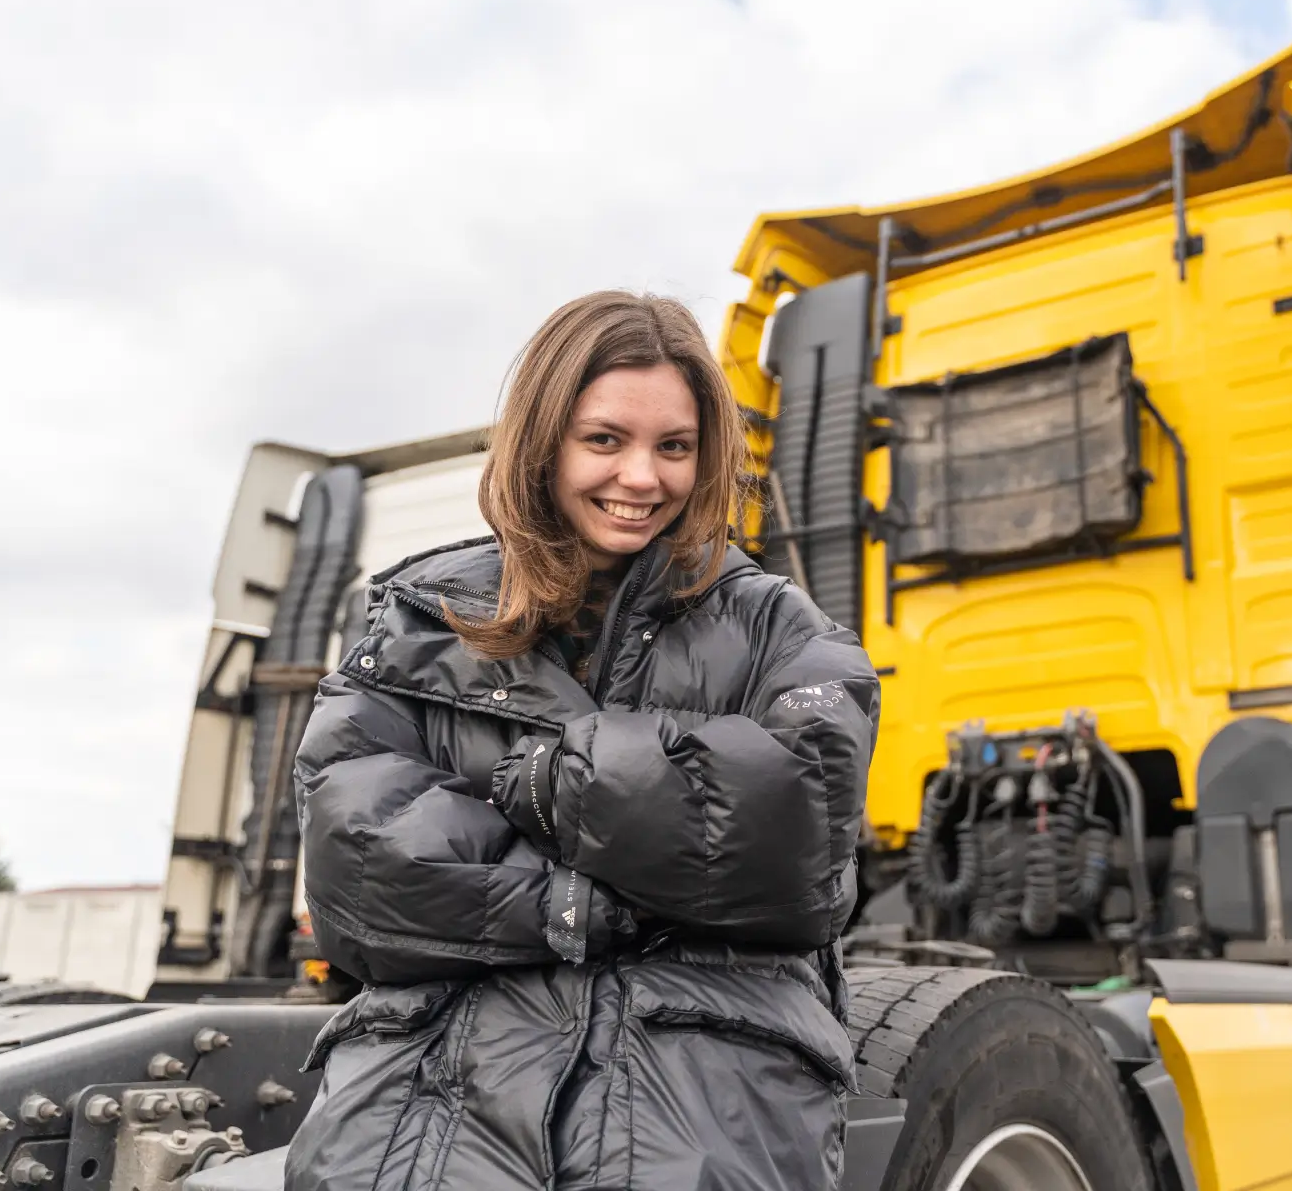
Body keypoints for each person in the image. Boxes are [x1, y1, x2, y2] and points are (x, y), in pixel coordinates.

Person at [286, 291, 879, 1191]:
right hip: (428, 1105)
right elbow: (357, 864)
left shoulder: (778, 626)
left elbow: (799, 837)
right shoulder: (418, 618)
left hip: (703, 1110)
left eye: (674, 447)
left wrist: (557, 782)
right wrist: (592, 902)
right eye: (605, 440)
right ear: (542, 442)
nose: (642, 478)